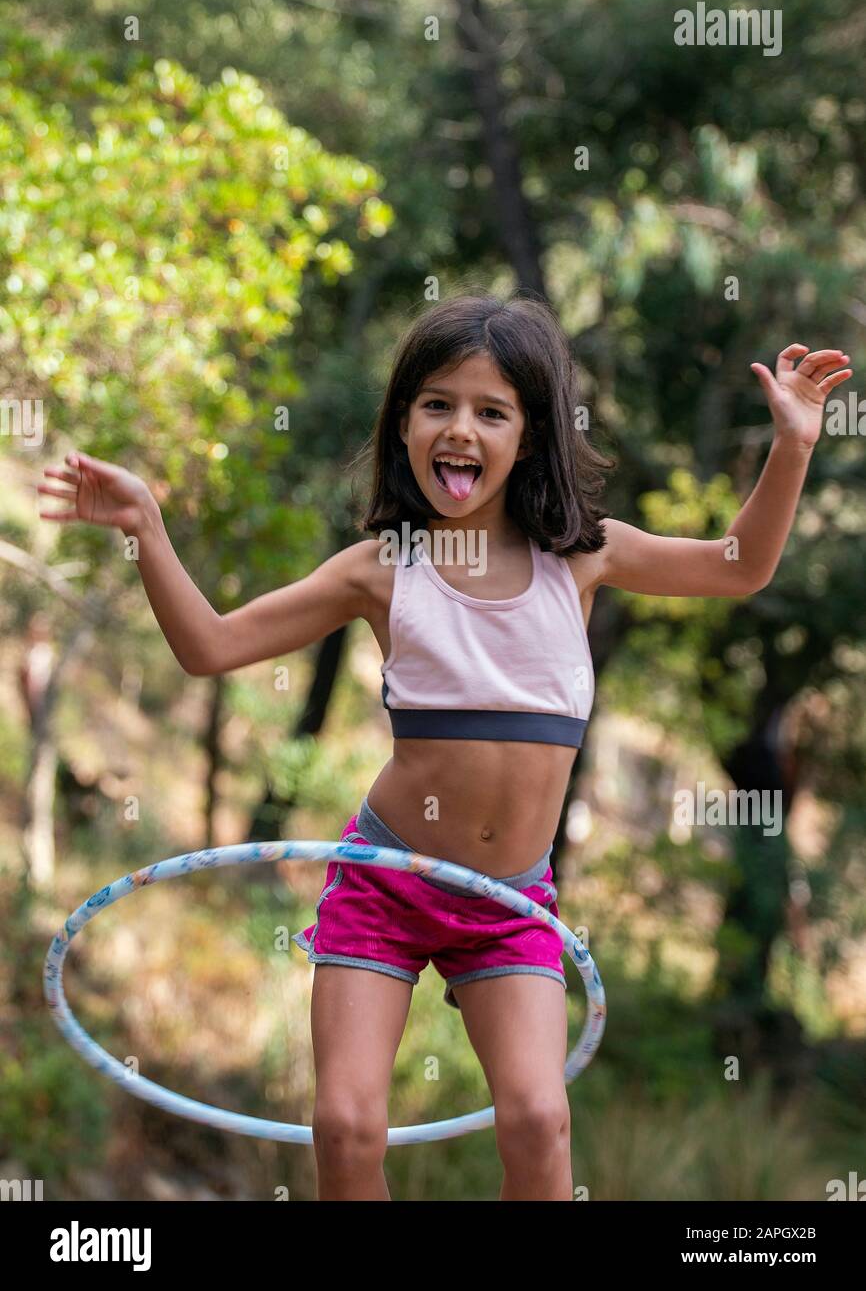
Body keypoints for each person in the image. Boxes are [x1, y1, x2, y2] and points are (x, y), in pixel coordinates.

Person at [37, 292, 851, 1201]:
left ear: (531, 437)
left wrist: (793, 443)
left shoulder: (585, 557)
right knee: (345, 1128)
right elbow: (211, 647)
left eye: (491, 411)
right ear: (403, 424)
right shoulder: (383, 569)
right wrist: (148, 527)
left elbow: (742, 566)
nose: (460, 429)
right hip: (389, 880)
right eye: (437, 404)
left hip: (511, 899)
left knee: (540, 1121)